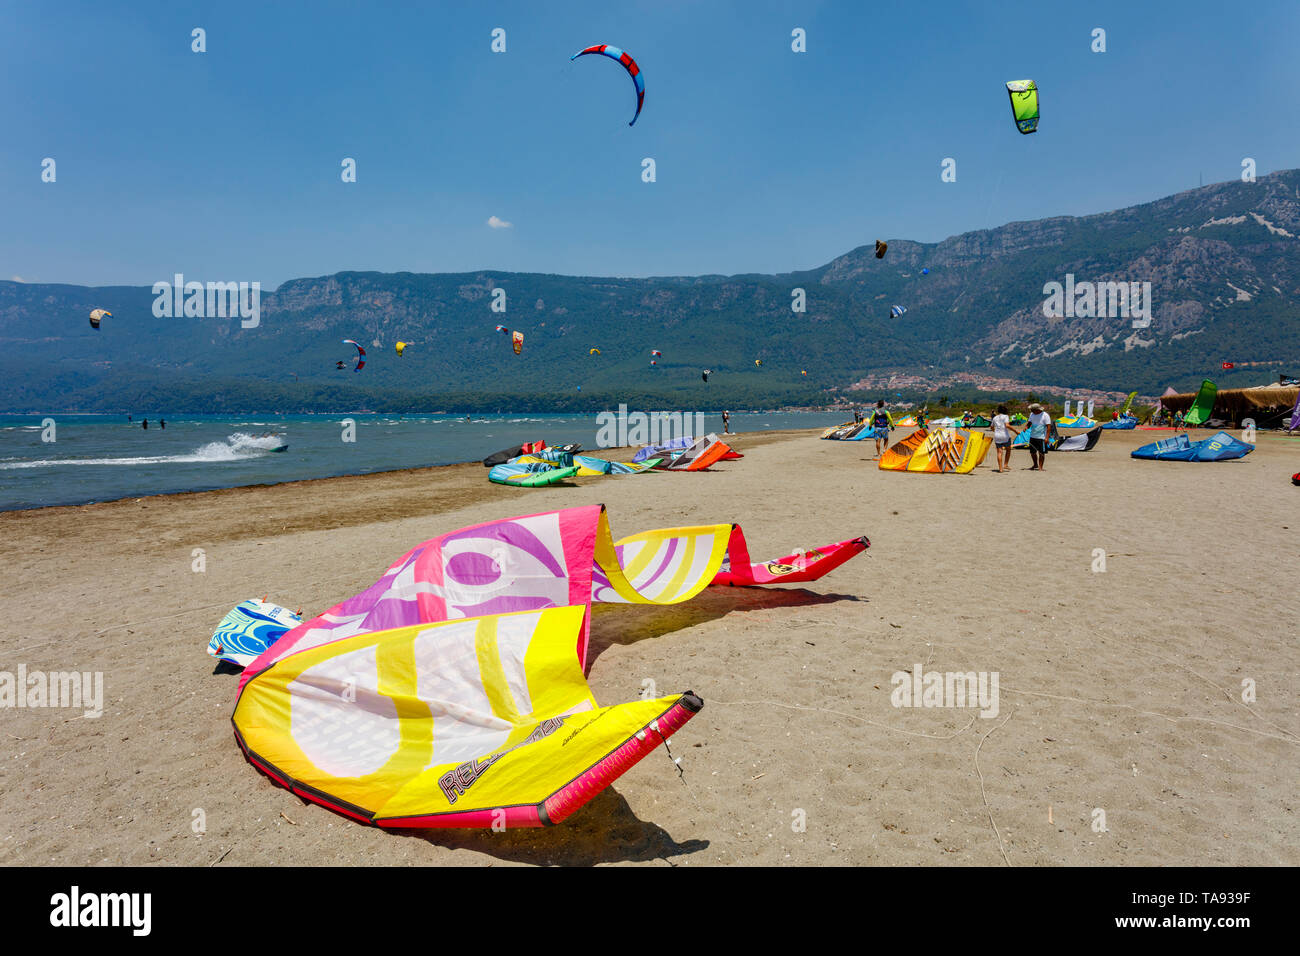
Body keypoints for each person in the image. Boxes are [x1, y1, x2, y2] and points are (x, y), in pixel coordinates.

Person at [991, 404, 1020, 473]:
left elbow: (991, 427)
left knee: (999, 452)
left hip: (997, 436)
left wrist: (995, 431)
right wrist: (1015, 431)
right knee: (1008, 450)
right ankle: (1005, 464)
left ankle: (1000, 469)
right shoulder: (1006, 416)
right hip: (1005, 435)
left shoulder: (995, 417)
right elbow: (1007, 425)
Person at [1027, 403, 1052, 470]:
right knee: (1032, 452)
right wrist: (1026, 427)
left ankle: (1040, 466)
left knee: (1041, 453)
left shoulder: (1045, 415)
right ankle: (1035, 464)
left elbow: (1048, 427)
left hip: (1042, 437)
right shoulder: (1032, 414)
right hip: (1033, 436)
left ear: (1037, 410)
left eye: (1032, 410)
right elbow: (1029, 422)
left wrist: (1047, 437)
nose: (1031, 411)